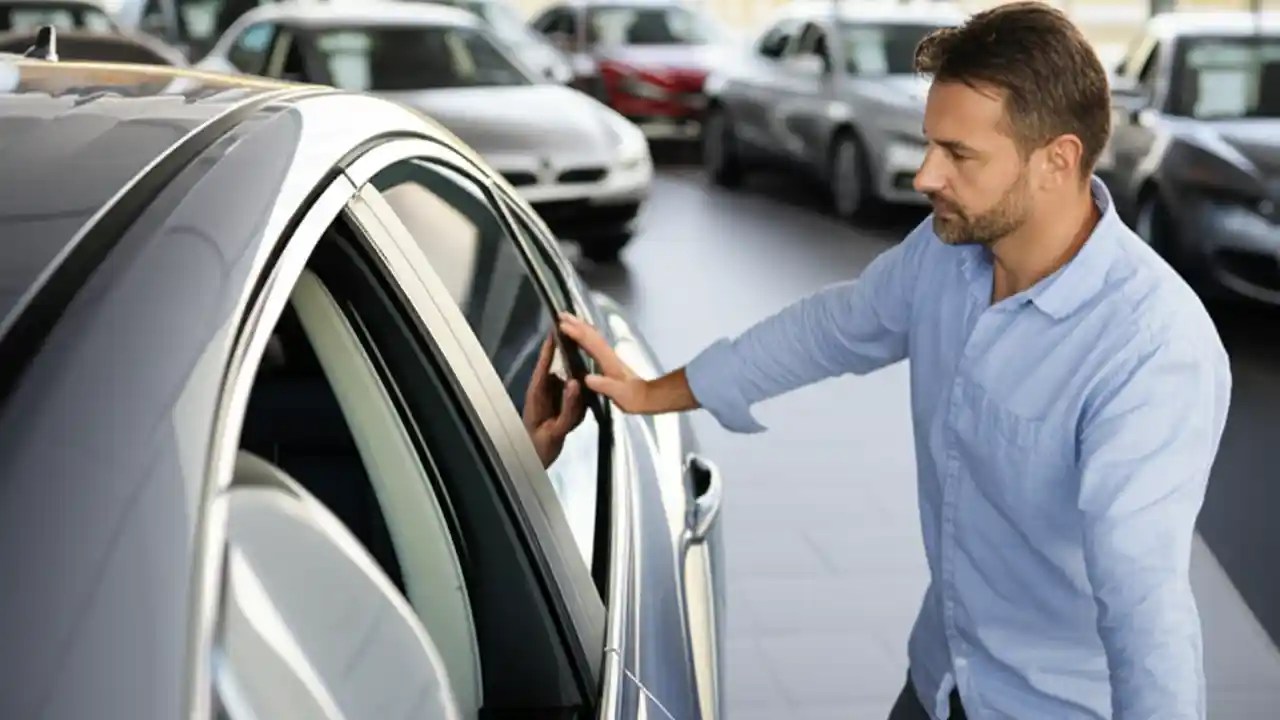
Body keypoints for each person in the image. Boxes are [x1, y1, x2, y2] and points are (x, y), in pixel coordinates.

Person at [557, 3, 1232, 718]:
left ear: (1057, 161)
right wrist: (655, 391)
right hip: (940, 680)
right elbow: (832, 327)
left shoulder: (1151, 349)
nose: (924, 175)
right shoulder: (948, 254)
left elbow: (1145, 609)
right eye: (929, 144)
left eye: (959, 154)